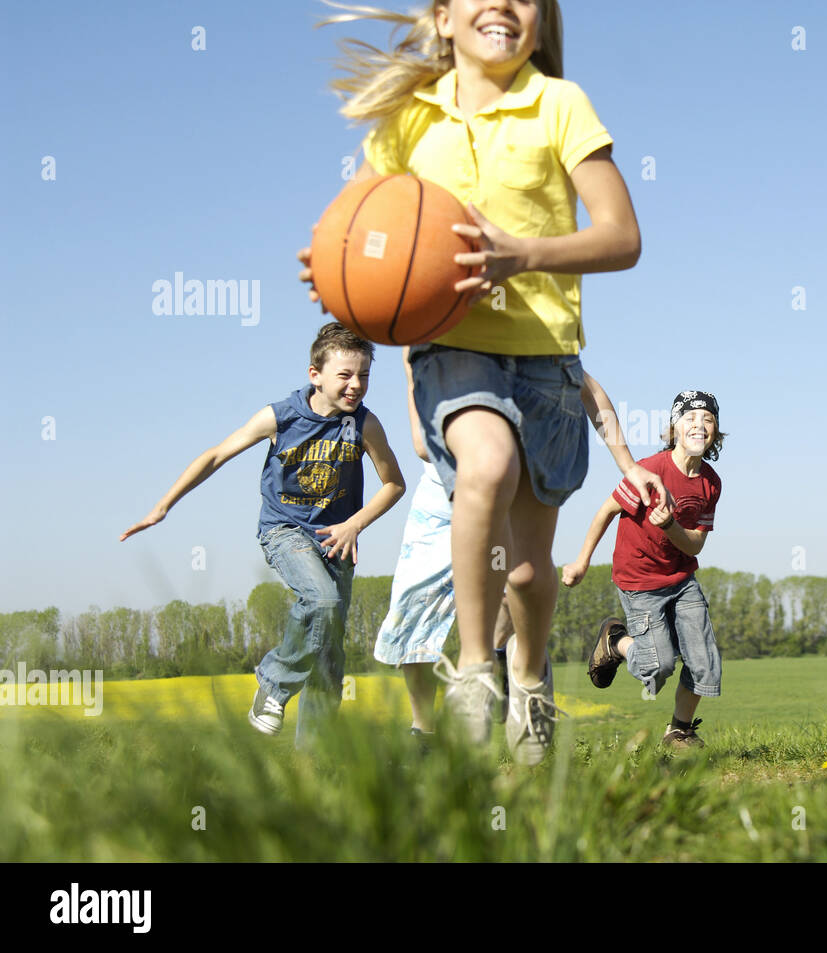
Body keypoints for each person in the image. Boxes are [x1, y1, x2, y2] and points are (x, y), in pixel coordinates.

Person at [302, 0, 641, 765]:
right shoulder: (408, 119)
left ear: (540, 20)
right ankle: (477, 675)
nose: (506, 4)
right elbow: (361, 230)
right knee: (485, 462)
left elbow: (623, 235)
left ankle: (529, 676)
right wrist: (335, 265)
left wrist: (522, 253)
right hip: (451, 349)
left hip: (548, 356)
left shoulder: (558, 103)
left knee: (526, 567)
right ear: (444, 16)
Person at [121, 323, 406, 747]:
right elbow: (217, 454)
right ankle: (272, 686)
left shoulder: (365, 424)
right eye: (345, 375)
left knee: (329, 657)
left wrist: (355, 524)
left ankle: (314, 762)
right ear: (316, 375)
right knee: (321, 601)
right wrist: (163, 506)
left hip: (338, 539)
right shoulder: (280, 416)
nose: (356, 385)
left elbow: (394, 484)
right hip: (285, 530)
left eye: (364, 375)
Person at [375, 350, 668, 744]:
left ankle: (522, 671)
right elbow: (423, 446)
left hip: (523, 474)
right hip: (445, 485)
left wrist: (628, 464)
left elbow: (592, 393)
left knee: (523, 576)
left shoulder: (535, 337)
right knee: (413, 601)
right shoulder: (436, 335)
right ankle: (428, 724)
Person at [562, 391, 724, 748]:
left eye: (708, 420)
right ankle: (616, 641)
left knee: (705, 662)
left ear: (716, 432)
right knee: (657, 667)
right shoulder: (651, 470)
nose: (699, 425)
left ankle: (679, 731)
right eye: (690, 419)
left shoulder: (711, 483)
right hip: (639, 582)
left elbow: (695, 544)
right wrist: (582, 560)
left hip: (682, 580)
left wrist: (670, 528)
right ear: (675, 427)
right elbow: (606, 510)